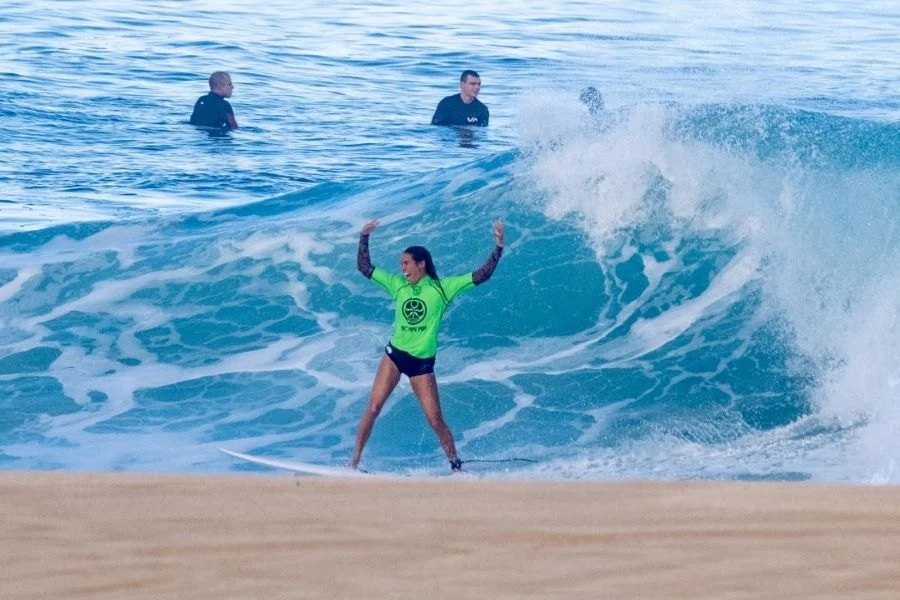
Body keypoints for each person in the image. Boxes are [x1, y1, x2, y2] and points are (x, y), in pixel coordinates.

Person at [350, 219, 505, 472]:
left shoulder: (443, 289)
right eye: (401, 264)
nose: (403, 269)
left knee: (435, 420)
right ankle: (353, 463)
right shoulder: (397, 285)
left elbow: (482, 274)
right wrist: (363, 236)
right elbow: (364, 266)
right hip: (395, 355)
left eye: (407, 264)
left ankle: (456, 466)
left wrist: (498, 246)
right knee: (374, 406)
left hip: (421, 364)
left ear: (421, 264)